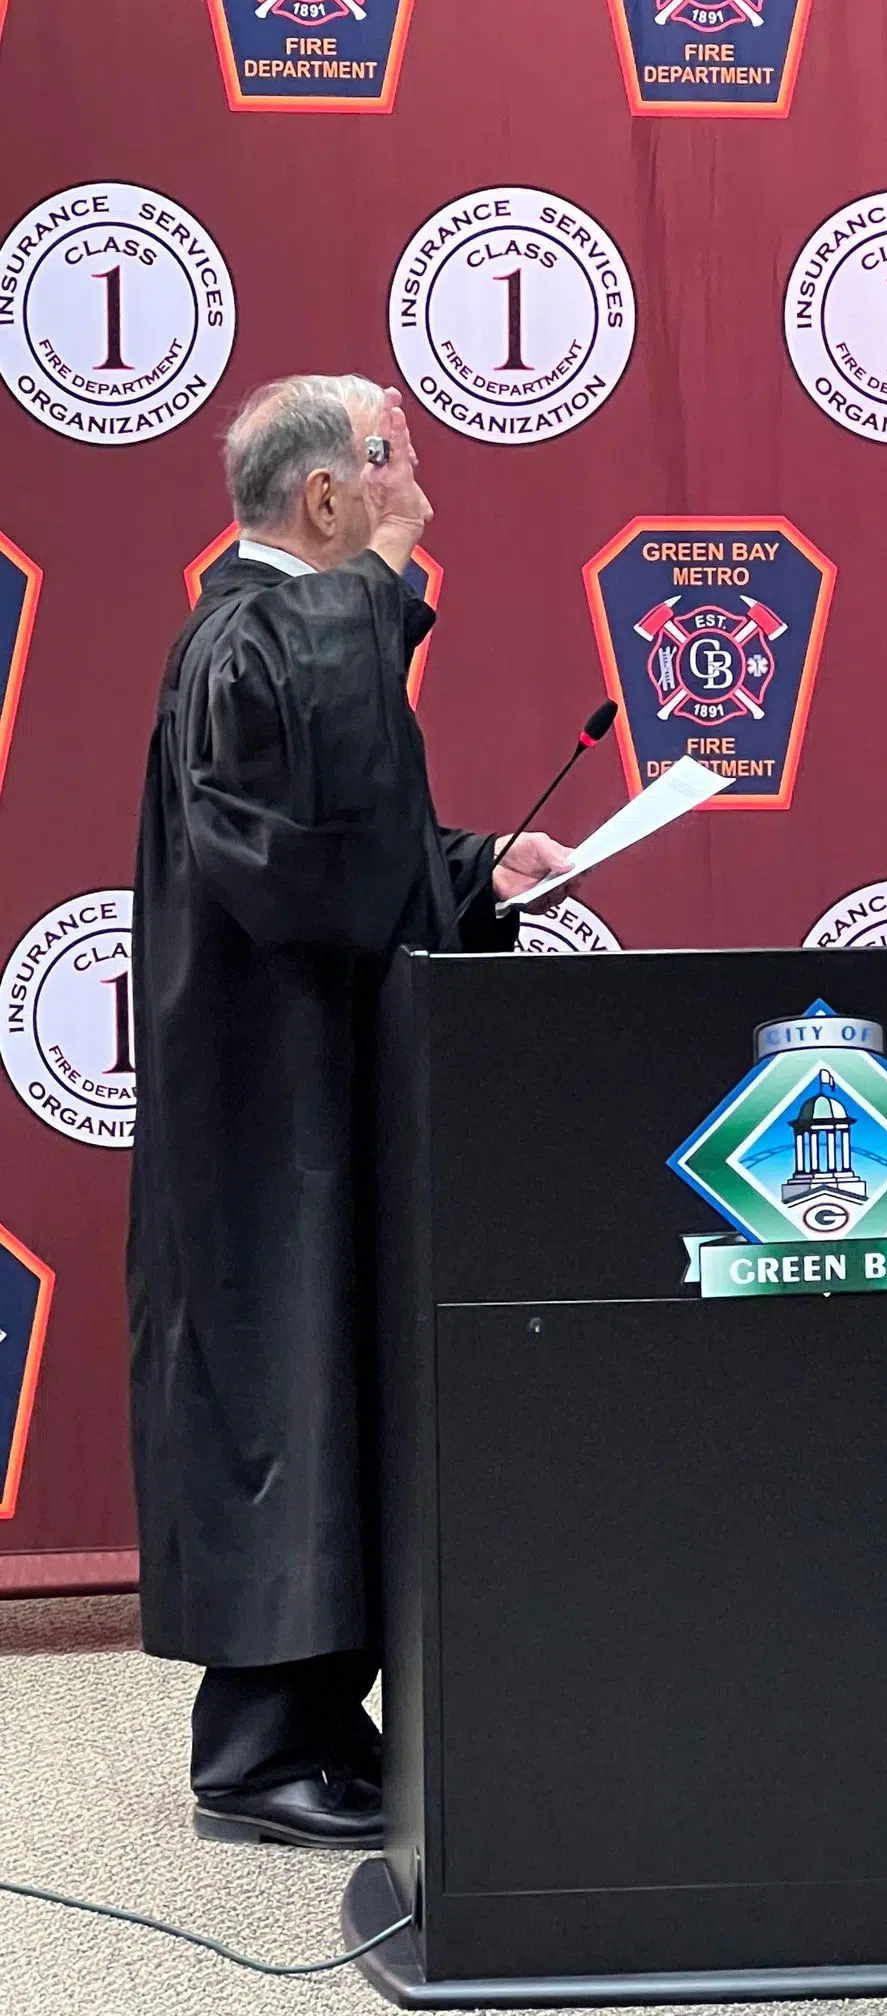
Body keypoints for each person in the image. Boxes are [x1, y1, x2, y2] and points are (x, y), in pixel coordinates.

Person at [128, 376, 572, 1849]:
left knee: (330, 1374)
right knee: (284, 1375)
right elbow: (304, 871)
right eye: (392, 463)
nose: (419, 488)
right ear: (325, 496)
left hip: (316, 1089)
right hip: (266, 1112)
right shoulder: (254, 638)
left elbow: (360, 849)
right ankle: (259, 1749)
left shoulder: (278, 638)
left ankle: (323, 1717)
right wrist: (380, 574)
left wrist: (475, 869)